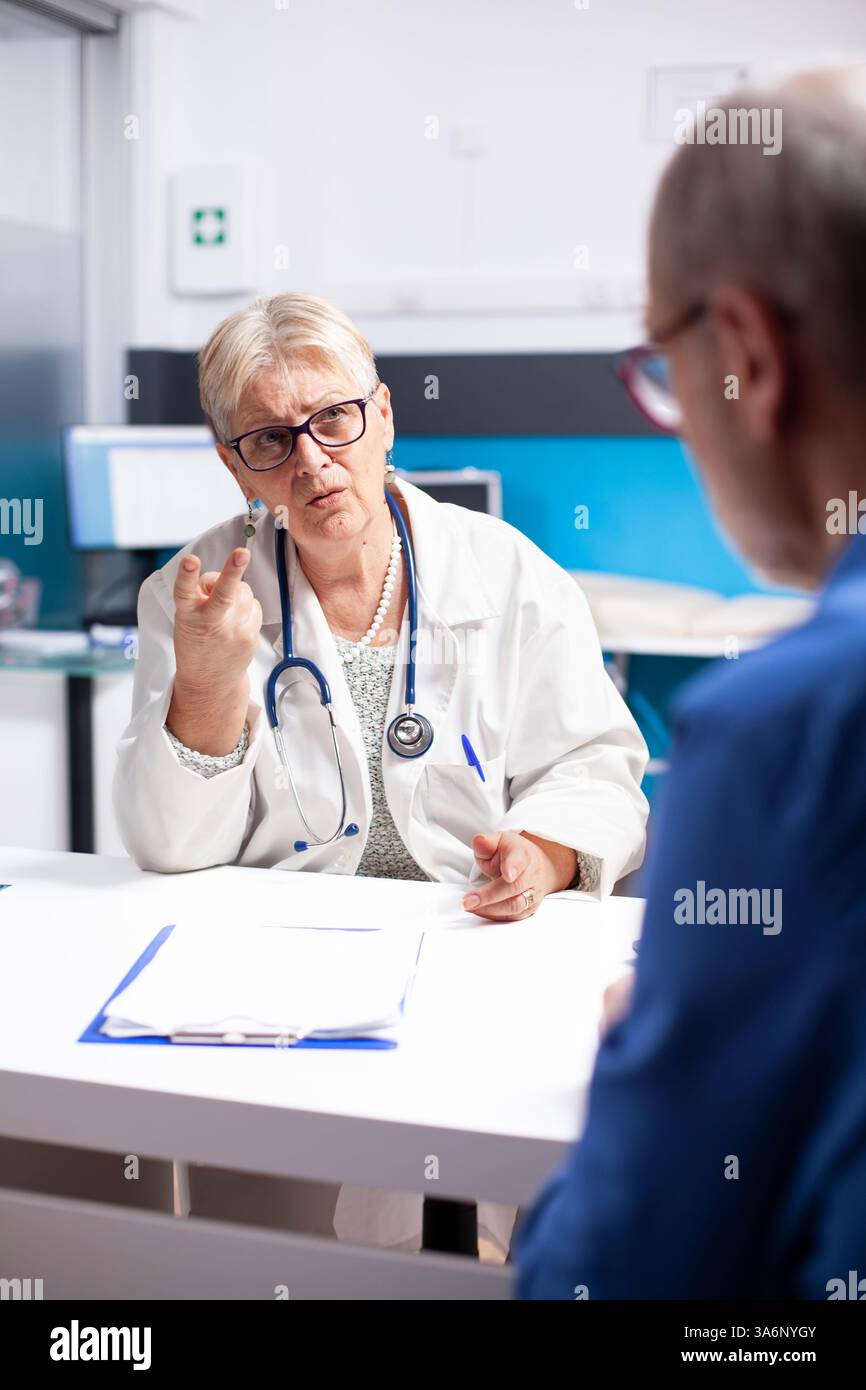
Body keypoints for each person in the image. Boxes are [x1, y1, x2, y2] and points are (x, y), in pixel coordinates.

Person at [113, 291, 649, 1252]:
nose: (313, 459)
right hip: (283, 962)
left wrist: (542, 853)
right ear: (236, 464)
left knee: (432, 1230)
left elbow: (599, 766)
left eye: (333, 418)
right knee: (255, 1241)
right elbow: (171, 850)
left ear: (384, 416)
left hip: (474, 949)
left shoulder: (511, 575)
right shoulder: (193, 596)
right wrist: (205, 678)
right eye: (271, 440)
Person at [517, 69, 866, 1298]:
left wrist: (662, 1048)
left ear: (746, 356)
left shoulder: (789, 727)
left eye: (659, 366)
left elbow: (617, 1276)